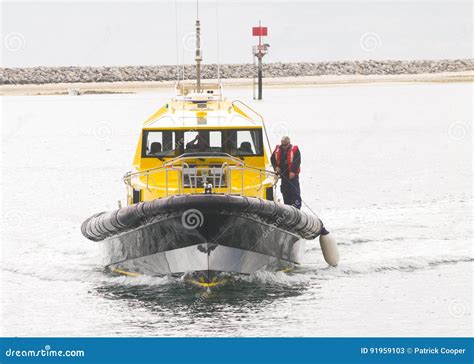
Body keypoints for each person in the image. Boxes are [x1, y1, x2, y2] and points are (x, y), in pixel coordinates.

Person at [271, 136, 302, 209]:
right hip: (283, 175)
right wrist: (276, 167)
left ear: (289, 144)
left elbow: (297, 161)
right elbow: (272, 159)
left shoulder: (295, 150)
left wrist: (293, 172)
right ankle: (287, 208)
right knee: (285, 192)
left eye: (285, 145)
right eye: (282, 145)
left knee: (295, 192)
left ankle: (297, 208)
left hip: (292, 176)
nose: (283, 146)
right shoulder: (278, 150)